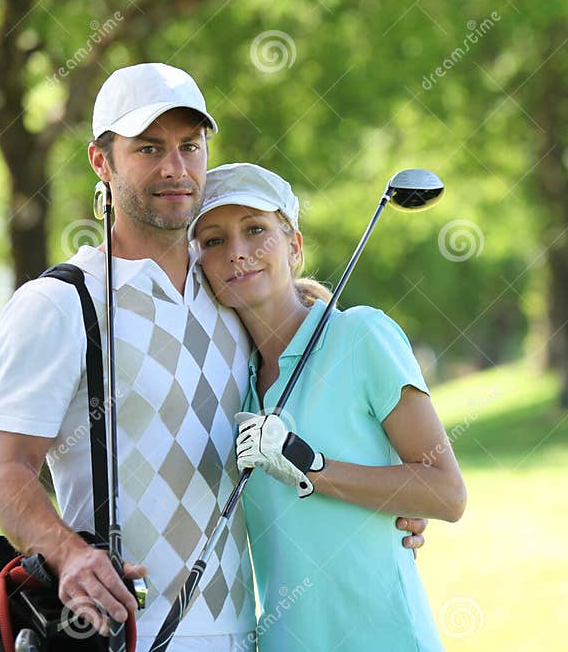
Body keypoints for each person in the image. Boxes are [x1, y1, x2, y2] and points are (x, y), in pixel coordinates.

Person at [0, 63, 427, 652]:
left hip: (246, 634)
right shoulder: (60, 304)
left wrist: (392, 497)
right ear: (101, 162)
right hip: (123, 635)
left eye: (190, 146)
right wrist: (68, 554)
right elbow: (3, 472)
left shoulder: (226, 287)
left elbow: (318, 399)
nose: (175, 167)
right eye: (148, 148)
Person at [188, 162, 467, 651]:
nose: (237, 252)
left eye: (256, 230)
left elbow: (446, 493)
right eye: (214, 240)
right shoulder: (232, 384)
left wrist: (311, 466)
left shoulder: (359, 335)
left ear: (294, 246)